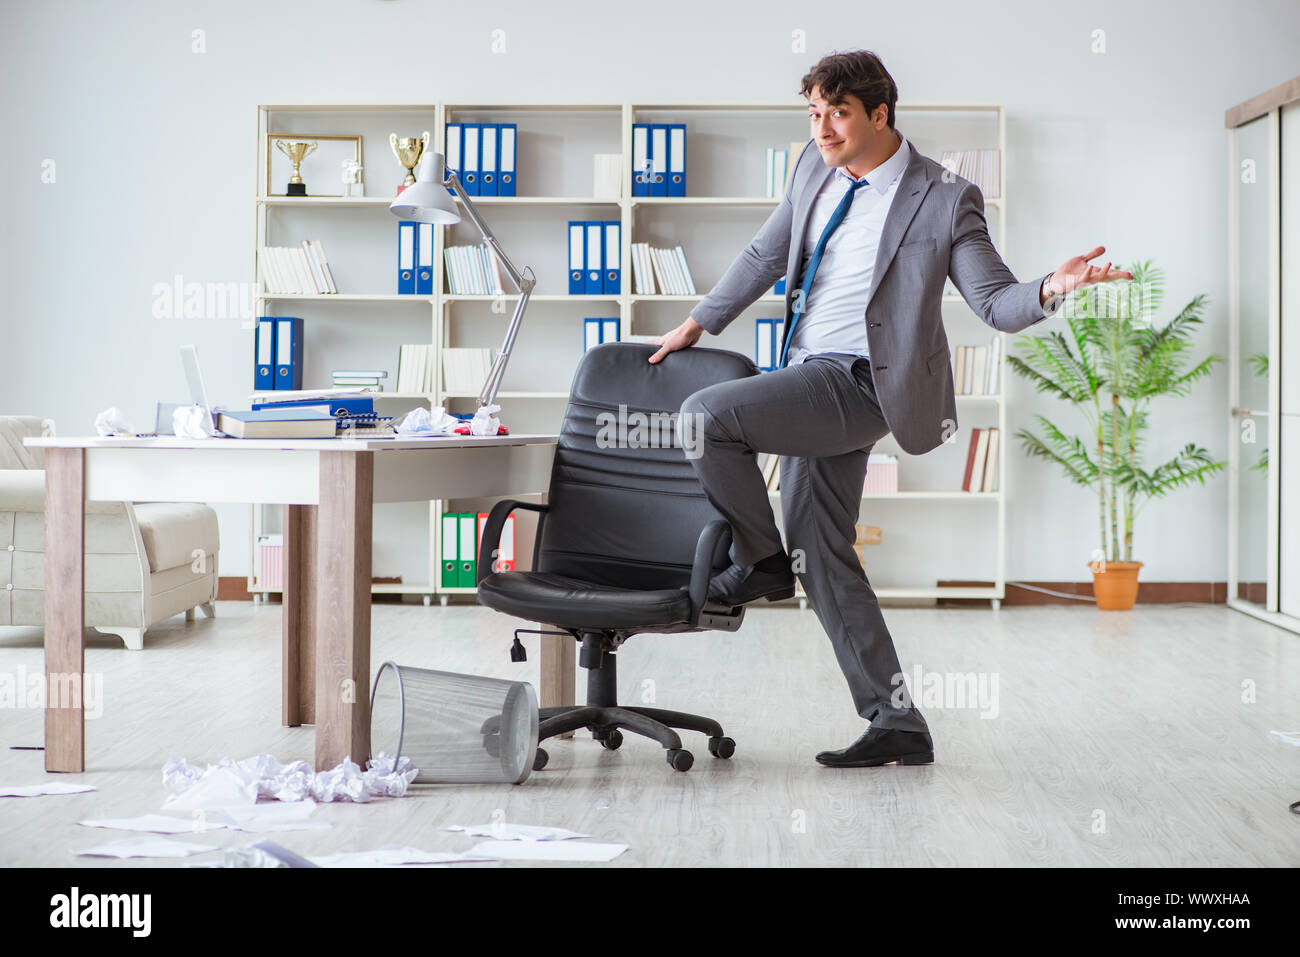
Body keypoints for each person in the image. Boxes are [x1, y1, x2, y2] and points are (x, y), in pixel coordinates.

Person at [648, 50, 1132, 768]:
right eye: (814, 113)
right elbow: (765, 254)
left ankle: (758, 564)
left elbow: (995, 301)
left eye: (837, 112)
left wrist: (1053, 287)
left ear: (880, 113)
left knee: (706, 418)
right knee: (825, 555)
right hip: (809, 372)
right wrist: (696, 322)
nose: (823, 129)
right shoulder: (812, 168)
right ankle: (896, 720)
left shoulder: (944, 196)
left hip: (865, 383)